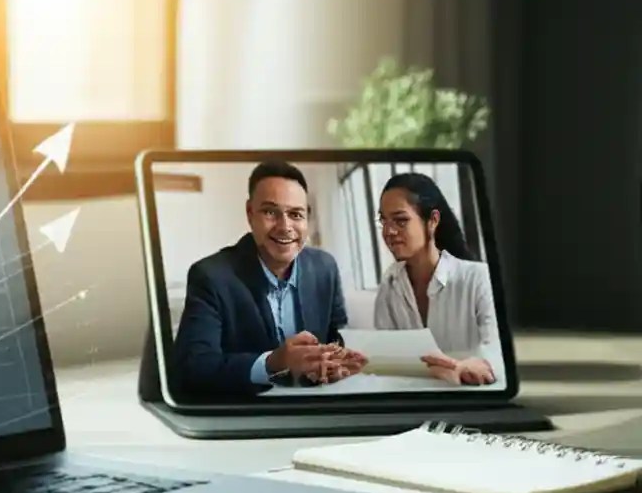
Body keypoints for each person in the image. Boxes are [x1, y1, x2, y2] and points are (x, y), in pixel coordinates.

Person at [172, 161, 367, 396]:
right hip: (250, 409)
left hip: (316, 401)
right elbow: (193, 369)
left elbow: (339, 337)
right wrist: (272, 363)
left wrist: (334, 362)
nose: (285, 227)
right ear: (250, 214)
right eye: (270, 212)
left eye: (296, 214)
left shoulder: (325, 268)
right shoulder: (211, 276)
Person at [373, 172, 498, 385]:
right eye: (383, 220)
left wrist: (475, 365)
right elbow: (385, 357)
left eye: (401, 220)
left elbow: (496, 351)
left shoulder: (478, 278)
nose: (388, 231)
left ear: (432, 221)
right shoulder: (390, 285)